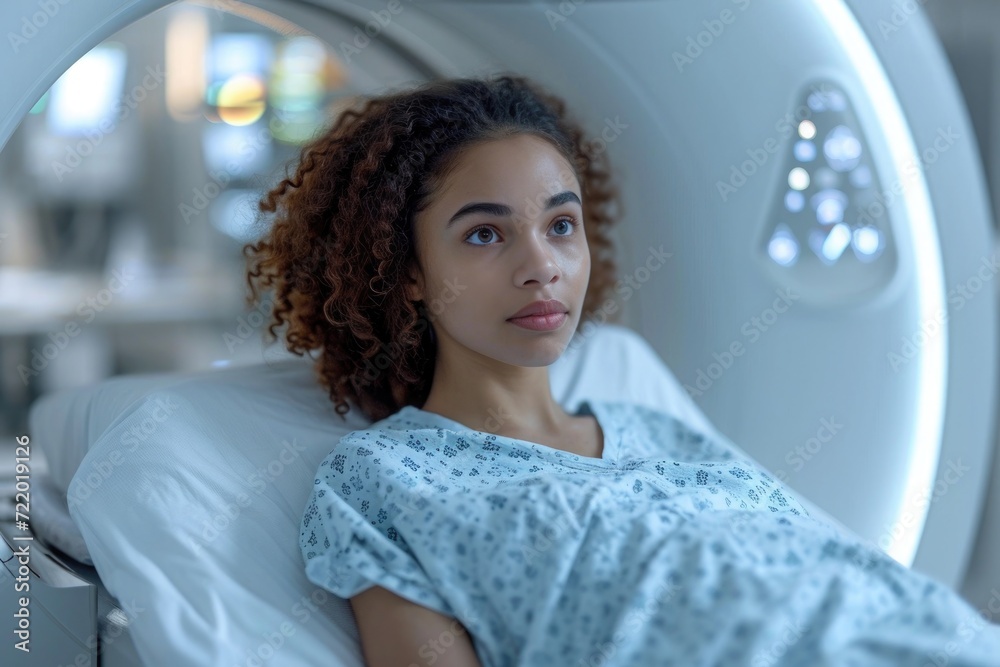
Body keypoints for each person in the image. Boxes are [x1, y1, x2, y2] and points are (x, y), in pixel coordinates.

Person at [243, 74, 1000, 667]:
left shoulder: (658, 429)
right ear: (405, 270)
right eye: (484, 234)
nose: (541, 265)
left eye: (561, 225)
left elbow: (825, 562)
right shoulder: (381, 481)